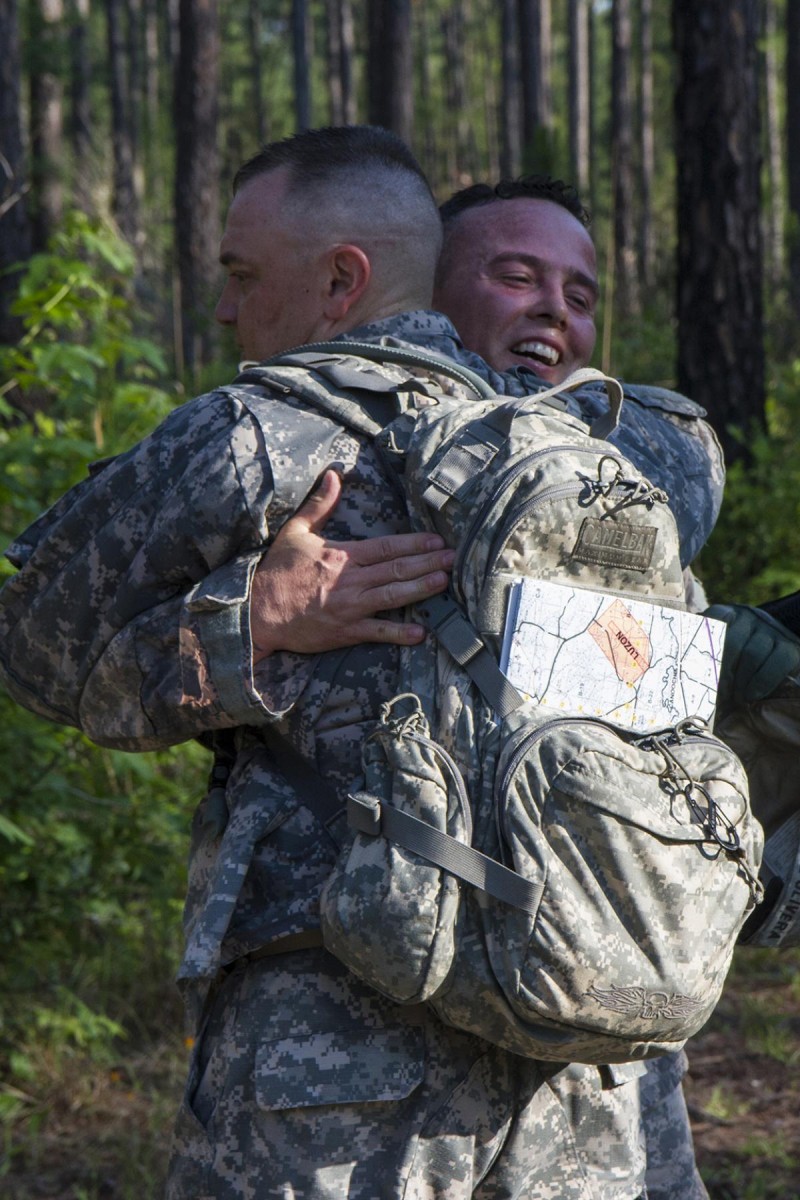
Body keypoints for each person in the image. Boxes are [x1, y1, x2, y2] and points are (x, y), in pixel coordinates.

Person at [0, 127, 721, 1199]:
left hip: (340, 1053)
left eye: (243, 275)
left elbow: (32, 650)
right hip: (593, 1037)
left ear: (345, 279)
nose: (226, 308)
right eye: (514, 276)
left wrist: (248, 623)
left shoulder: (263, 436)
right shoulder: (623, 477)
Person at [431, 174, 717, 1200]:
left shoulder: (635, 466)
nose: (555, 308)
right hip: (404, 999)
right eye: (516, 278)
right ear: (425, 293)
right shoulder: (343, 442)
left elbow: (656, 710)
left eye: (580, 294)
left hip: (602, 980)